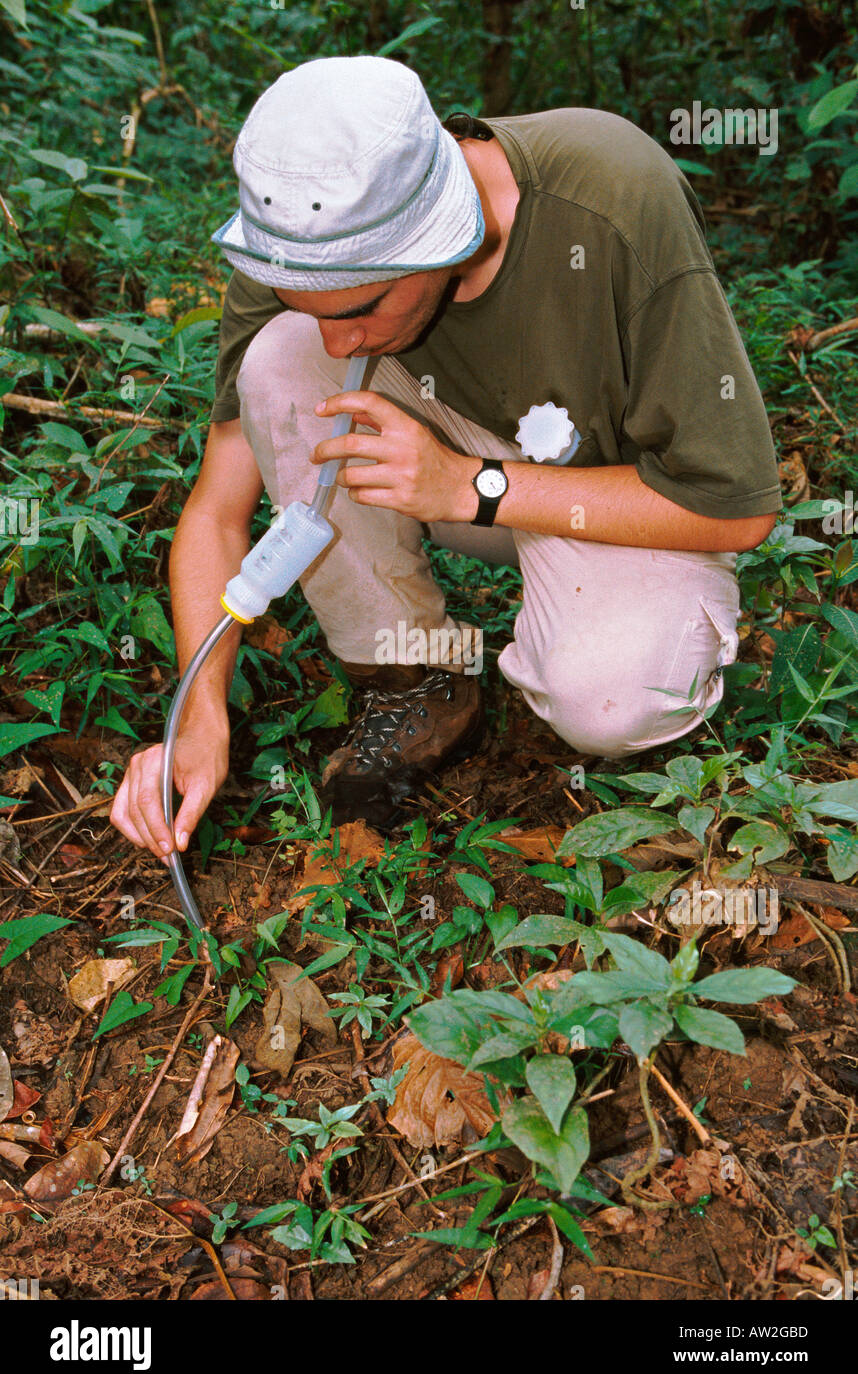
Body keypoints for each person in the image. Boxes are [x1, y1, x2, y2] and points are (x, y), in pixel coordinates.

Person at [110, 53, 781, 856]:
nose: (338, 340)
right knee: (279, 359)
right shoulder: (305, 241)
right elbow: (218, 514)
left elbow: (736, 511)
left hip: (620, 506)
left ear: (443, 233)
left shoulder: (611, 196)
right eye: (305, 303)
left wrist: (471, 485)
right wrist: (196, 717)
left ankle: (607, 636)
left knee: (613, 701)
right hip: (450, 476)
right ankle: (421, 677)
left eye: (361, 307)